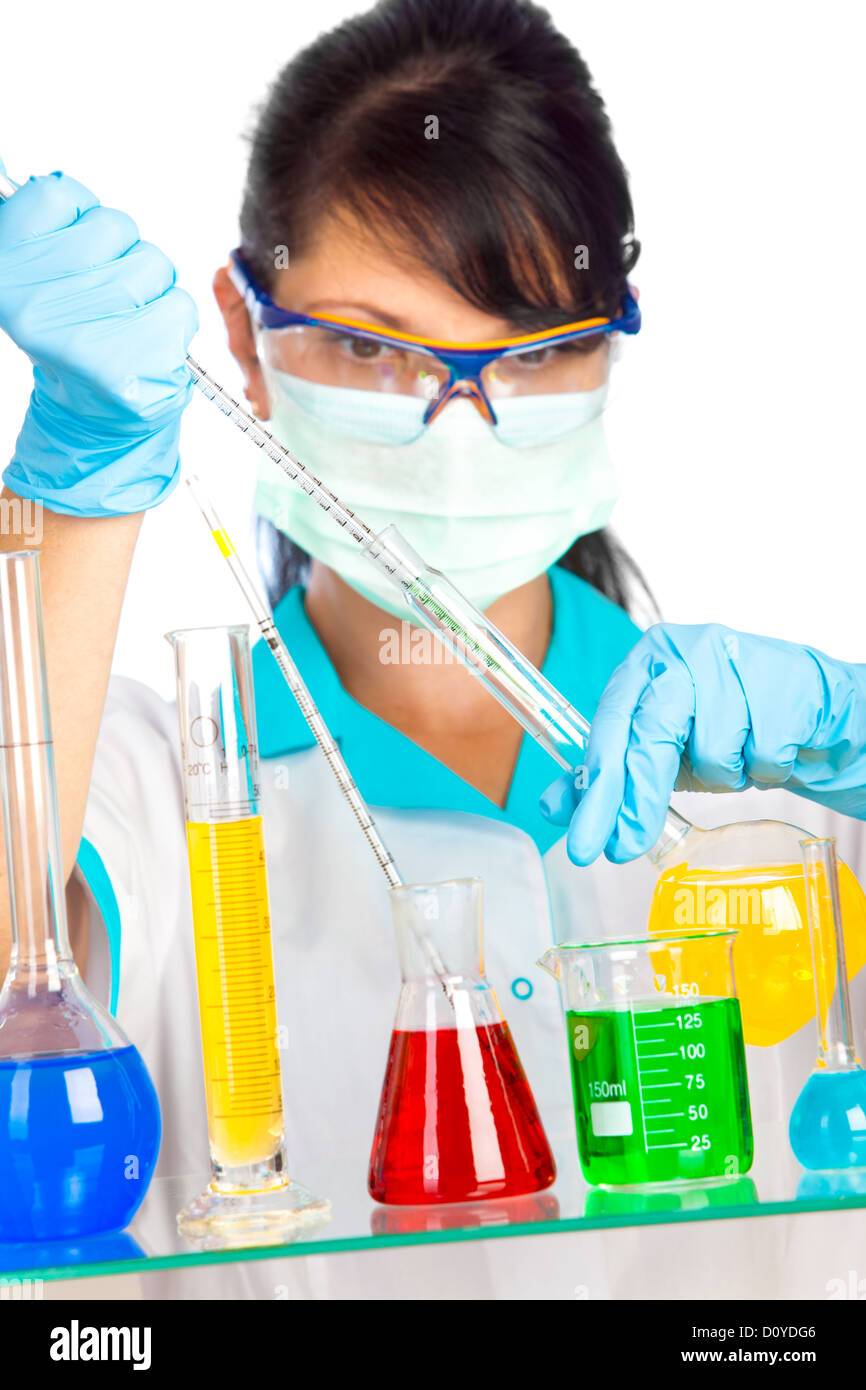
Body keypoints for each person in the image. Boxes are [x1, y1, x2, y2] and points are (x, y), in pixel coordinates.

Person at [2, 0, 866, 1299]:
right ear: (243, 333)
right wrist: (81, 486)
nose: (459, 422)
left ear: (610, 341)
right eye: (368, 343)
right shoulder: (140, 782)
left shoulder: (796, 791)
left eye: (535, 350)